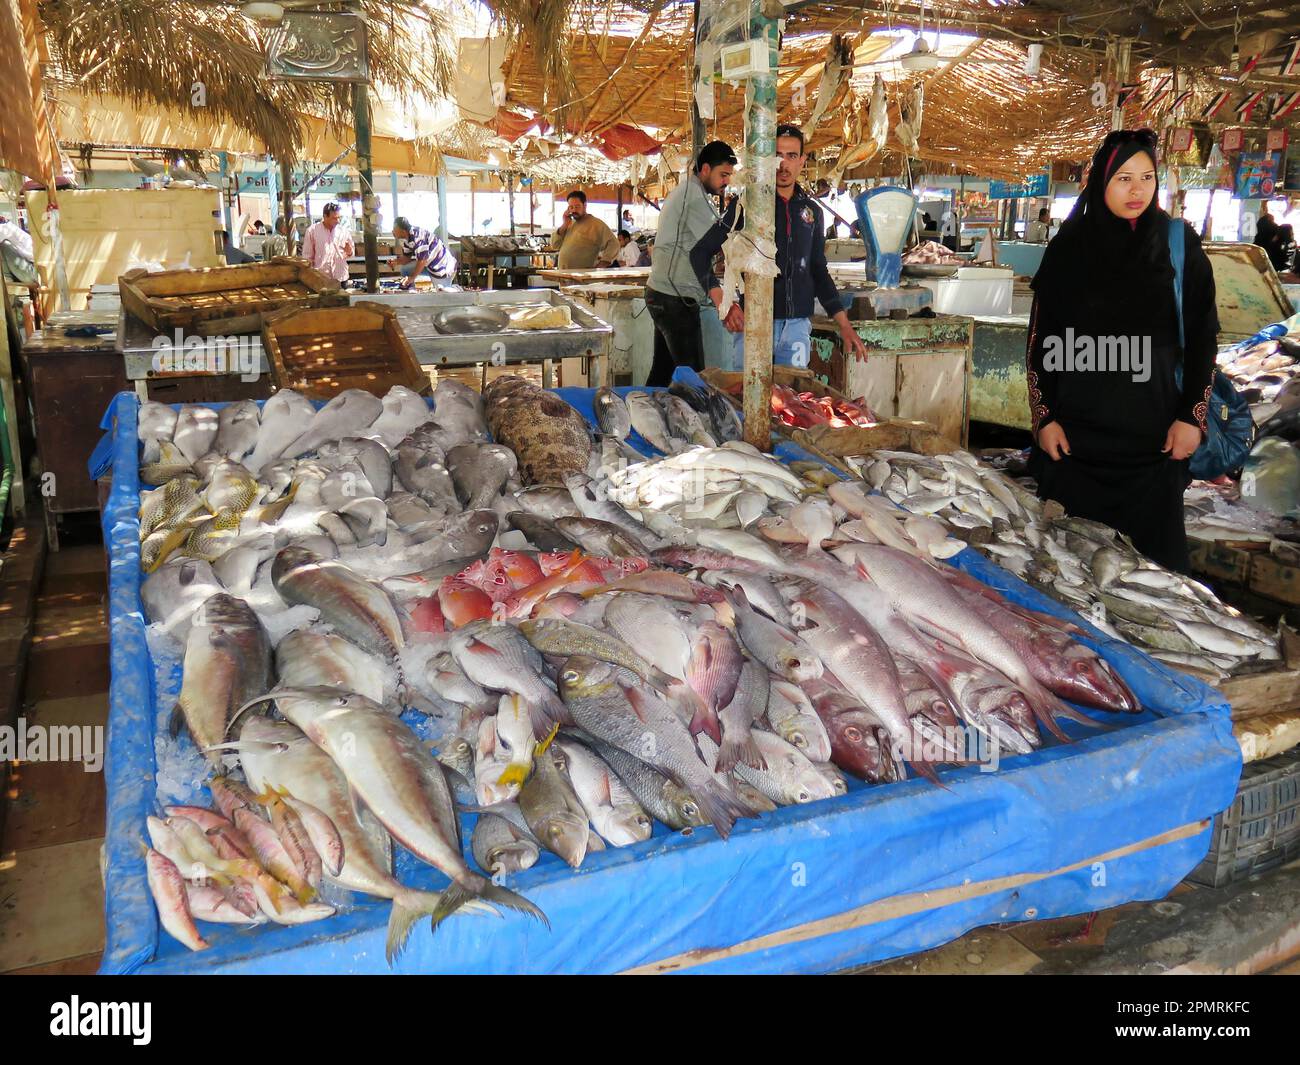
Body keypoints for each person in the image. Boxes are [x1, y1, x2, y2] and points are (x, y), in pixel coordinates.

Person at [1025, 128, 1216, 573]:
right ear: (1101, 181)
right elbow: (1039, 343)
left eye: (1148, 178)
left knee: (1156, 574)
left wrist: (1192, 418)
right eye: (1124, 178)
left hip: (1154, 446)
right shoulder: (1069, 249)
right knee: (1068, 572)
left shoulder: (1177, 243)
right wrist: (1044, 418)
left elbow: (1204, 338)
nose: (1138, 191)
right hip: (1074, 446)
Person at [691, 124, 868, 371]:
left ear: (802, 160)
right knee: (746, 402)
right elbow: (699, 253)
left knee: (793, 401)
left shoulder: (812, 212)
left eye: (791, 156)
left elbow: (818, 270)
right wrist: (724, 303)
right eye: (777, 155)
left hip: (796, 329)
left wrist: (844, 324)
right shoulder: (747, 206)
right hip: (753, 324)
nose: (783, 164)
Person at [644, 139, 738, 386]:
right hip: (675, 298)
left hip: (662, 293)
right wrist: (739, 211)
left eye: (729, 176)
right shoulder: (692, 195)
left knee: (662, 373)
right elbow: (717, 241)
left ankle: (642, 416)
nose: (726, 181)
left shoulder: (690, 192)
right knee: (694, 379)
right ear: (705, 169)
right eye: (723, 175)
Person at [553, 191, 619, 270]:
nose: (574, 210)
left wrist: (603, 263)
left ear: (584, 206)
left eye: (577, 207)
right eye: (571, 207)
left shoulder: (596, 224)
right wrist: (564, 224)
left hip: (583, 277)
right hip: (564, 275)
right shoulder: (569, 224)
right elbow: (554, 245)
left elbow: (614, 244)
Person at [391, 215, 457, 289]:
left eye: (394, 229)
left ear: (403, 231)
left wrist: (412, 277)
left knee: (443, 294)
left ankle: (457, 290)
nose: (392, 231)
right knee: (405, 269)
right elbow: (407, 258)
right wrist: (396, 262)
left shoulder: (418, 237)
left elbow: (422, 260)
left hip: (443, 268)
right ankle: (410, 290)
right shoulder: (406, 238)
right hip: (429, 265)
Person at [300, 202, 355, 283]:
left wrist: (349, 251)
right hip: (320, 278)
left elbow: (351, 254)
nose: (338, 221)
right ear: (325, 216)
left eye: (339, 218)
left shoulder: (344, 232)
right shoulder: (312, 231)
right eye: (334, 218)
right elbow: (307, 256)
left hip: (340, 277)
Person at [0, 213, 36, 288]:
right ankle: (7, 278)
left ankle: (7, 279)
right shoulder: (8, 227)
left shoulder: (4, 229)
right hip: (28, 271)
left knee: (4, 244)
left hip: (31, 272)